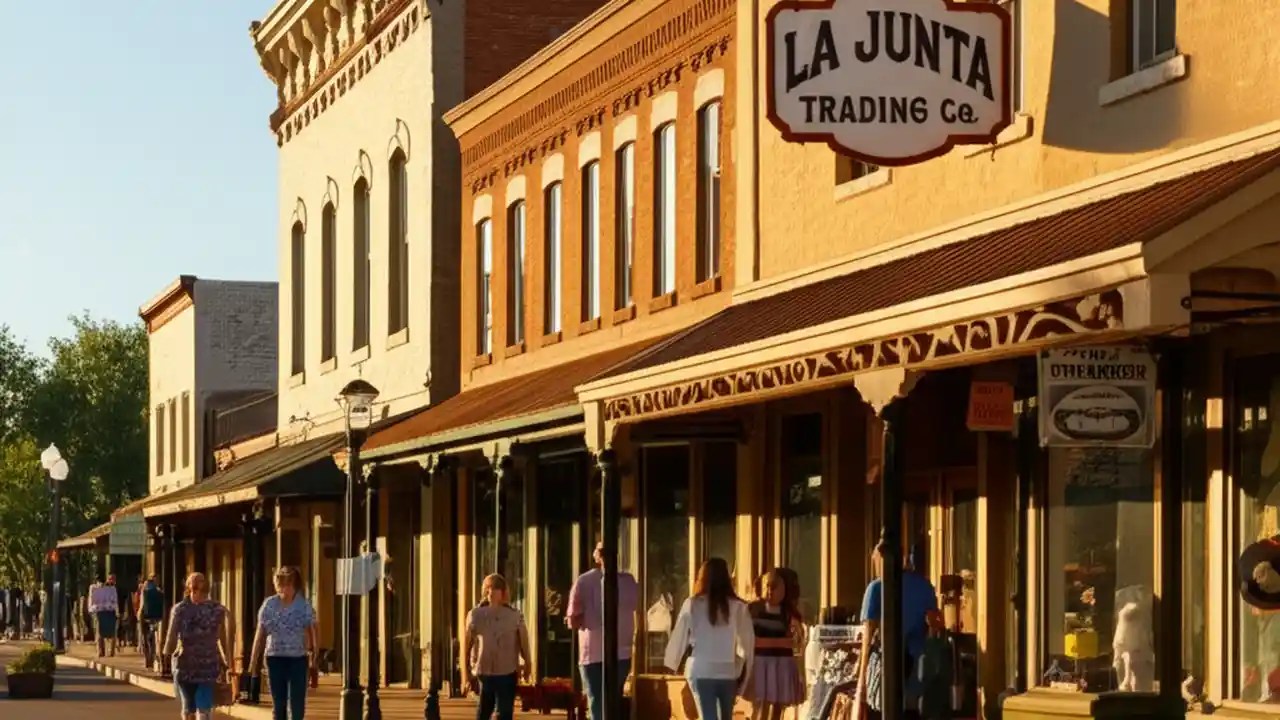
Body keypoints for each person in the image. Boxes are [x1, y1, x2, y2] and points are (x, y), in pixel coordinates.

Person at [855, 540, 939, 720]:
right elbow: (934, 626)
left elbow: (868, 637)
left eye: (876, 560)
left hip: (886, 667)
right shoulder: (924, 586)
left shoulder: (876, 588)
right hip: (917, 666)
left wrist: (861, 681)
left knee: (881, 711)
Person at [663, 558, 756, 720]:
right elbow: (747, 645)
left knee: (708, 716)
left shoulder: (692, 604)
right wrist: (743, 673)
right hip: (728, 671)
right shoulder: (738, 607)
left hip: (700, 669)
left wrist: (671, 662)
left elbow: (679, 636)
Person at [566, 540, 639, 720]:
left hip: (593, 652)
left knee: (596, 700)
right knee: (612, 699)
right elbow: (637, 606)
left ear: (597, 556)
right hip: (620, 651)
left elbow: (573, 619)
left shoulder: (583, 581)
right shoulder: (628, 581)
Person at [250, 566, 317, 720]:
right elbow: (260, 633)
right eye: (279, 584)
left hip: (298, 659)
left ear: (294, 586)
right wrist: (253, 660)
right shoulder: (269, 605)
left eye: (287, 585)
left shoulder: (303, 605)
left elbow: (312, 630)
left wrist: (314, 656)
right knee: (279, 705)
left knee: (297, 704)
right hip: (275, 658)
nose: (282, 589)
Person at [162, 573, 232, 720]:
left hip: (203, 666)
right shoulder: (182, 609)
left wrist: (228, 661)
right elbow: (171, 637)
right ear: (189, 589)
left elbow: (225, 637)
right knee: (192, 708)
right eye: (195, 589)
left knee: (200, 708)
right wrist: (167, 656)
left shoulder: (215, 609)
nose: (198, 594)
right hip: (189, 666)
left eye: (202, 590)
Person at [461, 573, 531, 720]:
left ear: (503, 592)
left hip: (507, 670)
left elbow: (524, 643)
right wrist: (465, 676)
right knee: (485, 710)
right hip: (485, 671)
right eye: (488, 588)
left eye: (495, 588)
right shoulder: (475, 615)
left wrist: (528, 665)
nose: (491, 592)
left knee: (503, 712)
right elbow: (465, 647)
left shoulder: (514, 616)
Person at [745, 568, 805, 720]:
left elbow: (797, 643)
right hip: (761, 663)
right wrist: (781, 643)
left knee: (778, 705)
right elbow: (749, 640)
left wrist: (799, 668)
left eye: (774, 587)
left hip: (782, 663)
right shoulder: (753, 610)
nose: (769, 591)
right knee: (761, 705)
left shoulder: (788, 614)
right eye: (767, 586)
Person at [139, 575, 166, 670]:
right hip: (157, 618)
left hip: (146, 617)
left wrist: (139, 616)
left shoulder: (144, 592)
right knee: (156, 640)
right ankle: (156, 660)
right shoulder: (160, 593)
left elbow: (142, 606)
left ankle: (148, 661)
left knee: (146, 639)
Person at [89, 575, 120, 657]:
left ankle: (107, 651)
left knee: (106, 632)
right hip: (103, 611)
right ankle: (102, 651)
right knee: (102, 632)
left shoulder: (111, 589)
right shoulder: (95, 588)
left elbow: (115, 601)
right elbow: (92, 600)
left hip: (107, 611)